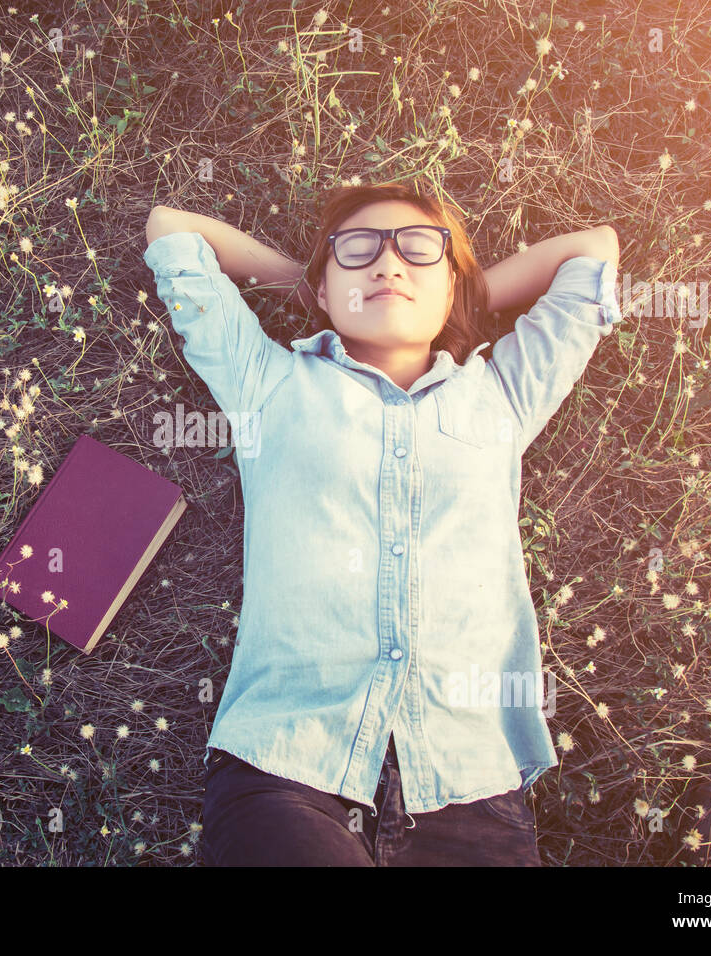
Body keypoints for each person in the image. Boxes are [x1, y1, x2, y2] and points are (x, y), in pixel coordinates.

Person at [143, 183, 622, 866]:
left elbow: (592, 250)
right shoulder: (269, 384)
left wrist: (466, 291)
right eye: (358, 249)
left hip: (469, 781)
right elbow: (172, 229)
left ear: (451, 286)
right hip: (287, 762)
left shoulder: (503, 395)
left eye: (418, 250)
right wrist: (309, 284)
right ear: (327, 282)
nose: (388, 265)